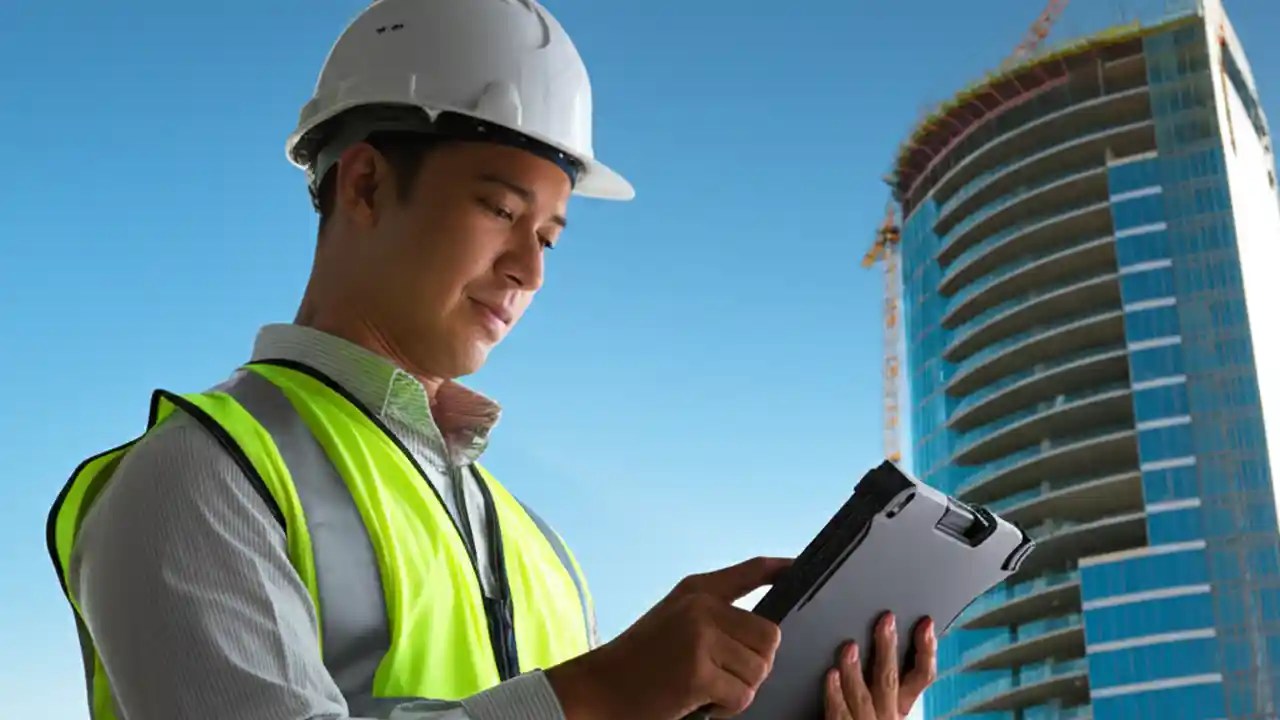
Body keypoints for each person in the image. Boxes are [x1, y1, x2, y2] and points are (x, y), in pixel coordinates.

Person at [46, 1, 937, 718]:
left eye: (549, 235)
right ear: (365, 185)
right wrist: (600, 694)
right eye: (501, 211)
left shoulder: (540, 552)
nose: (529, 271)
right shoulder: (199, 477)